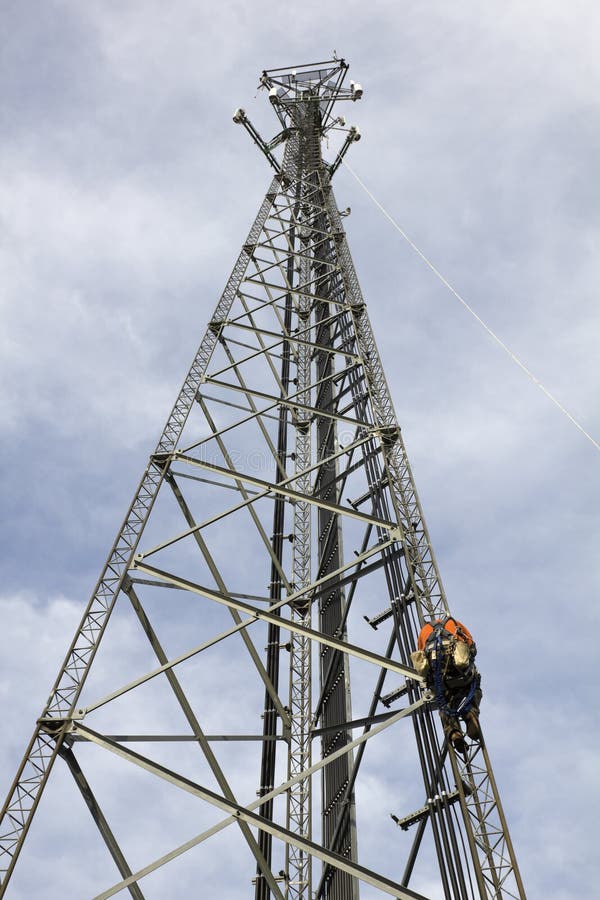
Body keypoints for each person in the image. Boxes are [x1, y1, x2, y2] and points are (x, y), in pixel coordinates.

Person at [411, 616, 482, 753]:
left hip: (440, 679)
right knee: (475, 685)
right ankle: (470, 713)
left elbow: (421, 656)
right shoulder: (455, 624)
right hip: (460, 673)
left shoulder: (424, 632)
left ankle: (453, 731)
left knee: (443, 700)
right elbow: (472, 647)